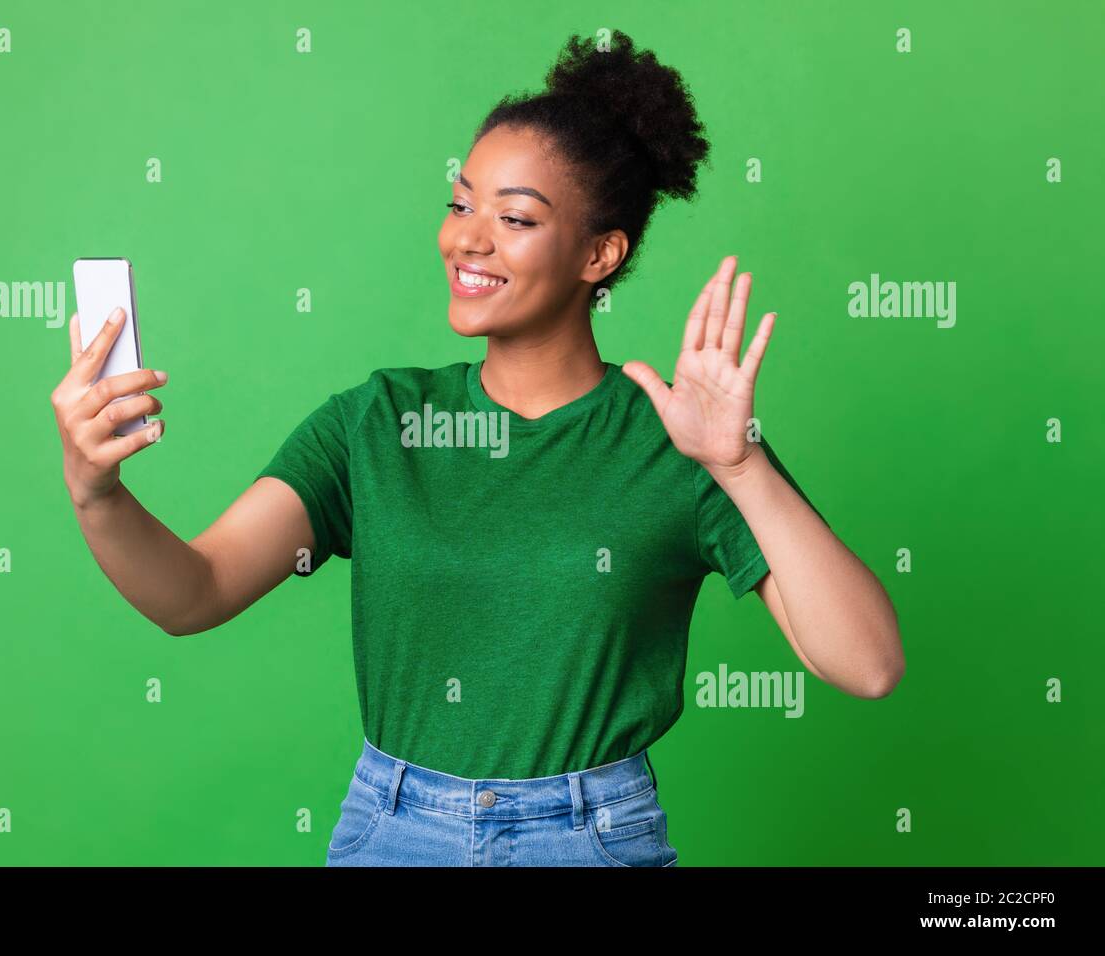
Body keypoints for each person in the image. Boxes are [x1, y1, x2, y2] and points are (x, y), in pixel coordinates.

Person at [50, 30, 903, 867]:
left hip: (590, 837)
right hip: (392, 829)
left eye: (515, 218)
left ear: (600, 254)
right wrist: (97, 492)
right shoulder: (377, 423)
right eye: (461, 204)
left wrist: (740, 466)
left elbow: (868, 665)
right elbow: (194, 592)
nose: (469, 238)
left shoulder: (679, 438)